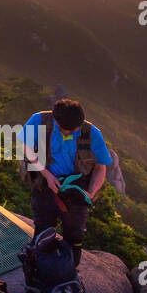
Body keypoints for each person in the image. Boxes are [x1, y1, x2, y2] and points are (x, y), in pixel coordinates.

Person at [20, 98, 112, 268]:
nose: (68, 133)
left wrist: (90, 194)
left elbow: (101, 167)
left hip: (76, 188)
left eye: (73, 130)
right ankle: (36, 268)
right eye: (64, 129)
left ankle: (70, 271)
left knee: (75, 234)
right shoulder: (39, 121)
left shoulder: (91, 133)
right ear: (55, 119)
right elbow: (25, 147)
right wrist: (46, 174)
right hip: (45, 183)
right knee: (43, 227)